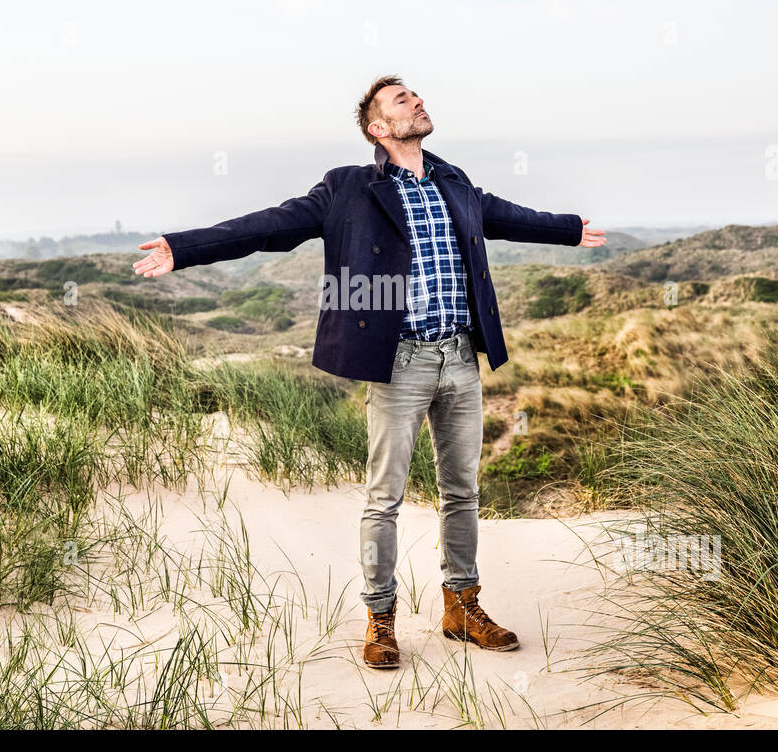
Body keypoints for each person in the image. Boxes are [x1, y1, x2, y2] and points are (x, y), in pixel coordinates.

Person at [134, 75, 606, 668]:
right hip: (398, 363)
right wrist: (185, 247)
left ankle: (462, 606)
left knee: (462, 492)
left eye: (417, 95)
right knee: (385, 497)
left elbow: (507, 216)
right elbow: (267, 226)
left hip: (460, 357)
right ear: (378, 128)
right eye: (403, 99)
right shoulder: (348, 188)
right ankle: (380, 618)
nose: (418, 101)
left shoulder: (453, 180)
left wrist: (568, 229)